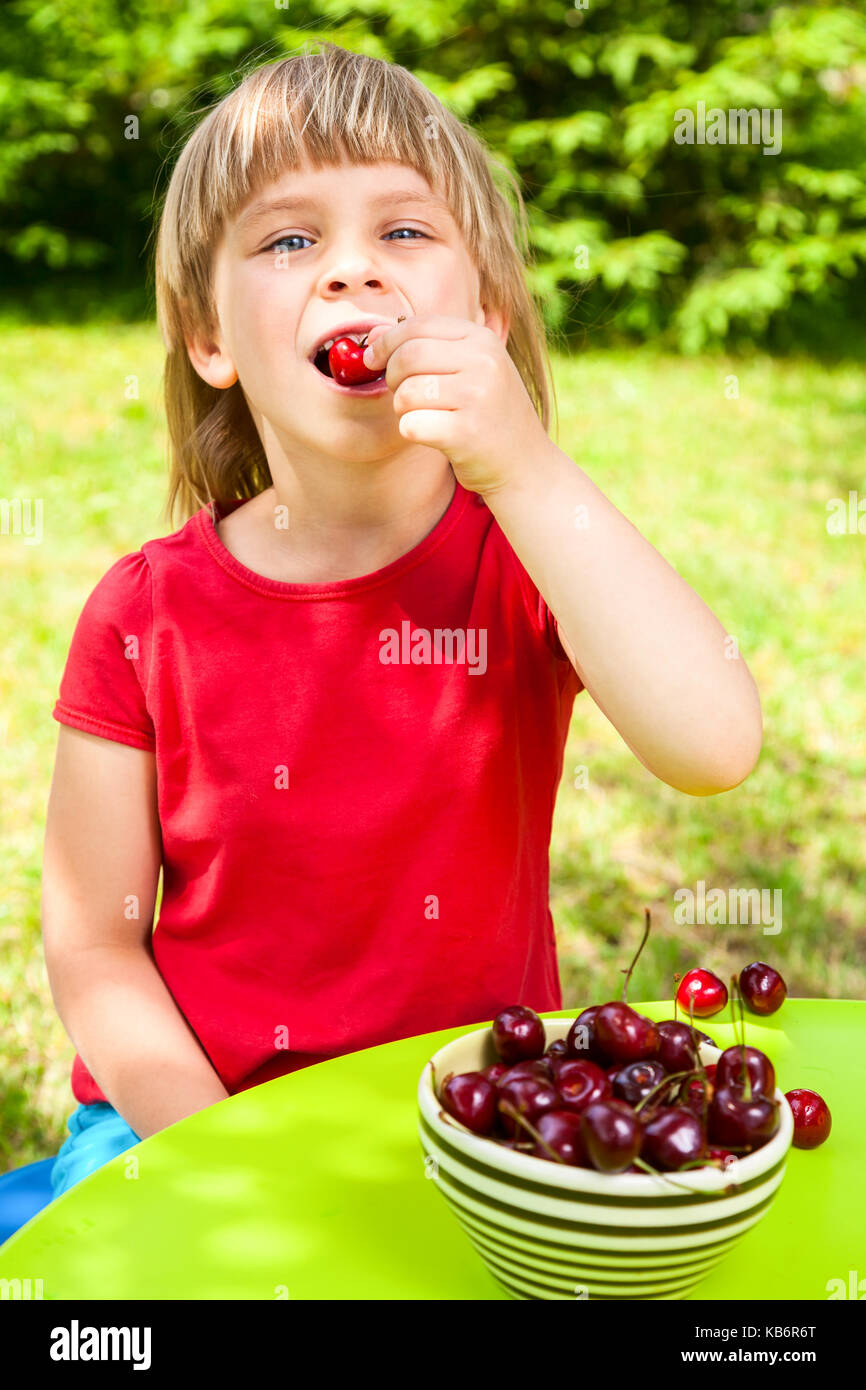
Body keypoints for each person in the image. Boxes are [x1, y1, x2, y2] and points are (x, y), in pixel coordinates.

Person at [38, 43, 762, 1209]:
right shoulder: (143, 614)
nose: (350, 276)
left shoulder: (527, 560)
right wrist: (225, 1157)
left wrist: (524, 468)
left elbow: (714, 743)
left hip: (464, 1134)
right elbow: (95, 945)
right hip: (184, 1122)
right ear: (209, 335)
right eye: (289, 240)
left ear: (480, 309)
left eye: (404, 233)